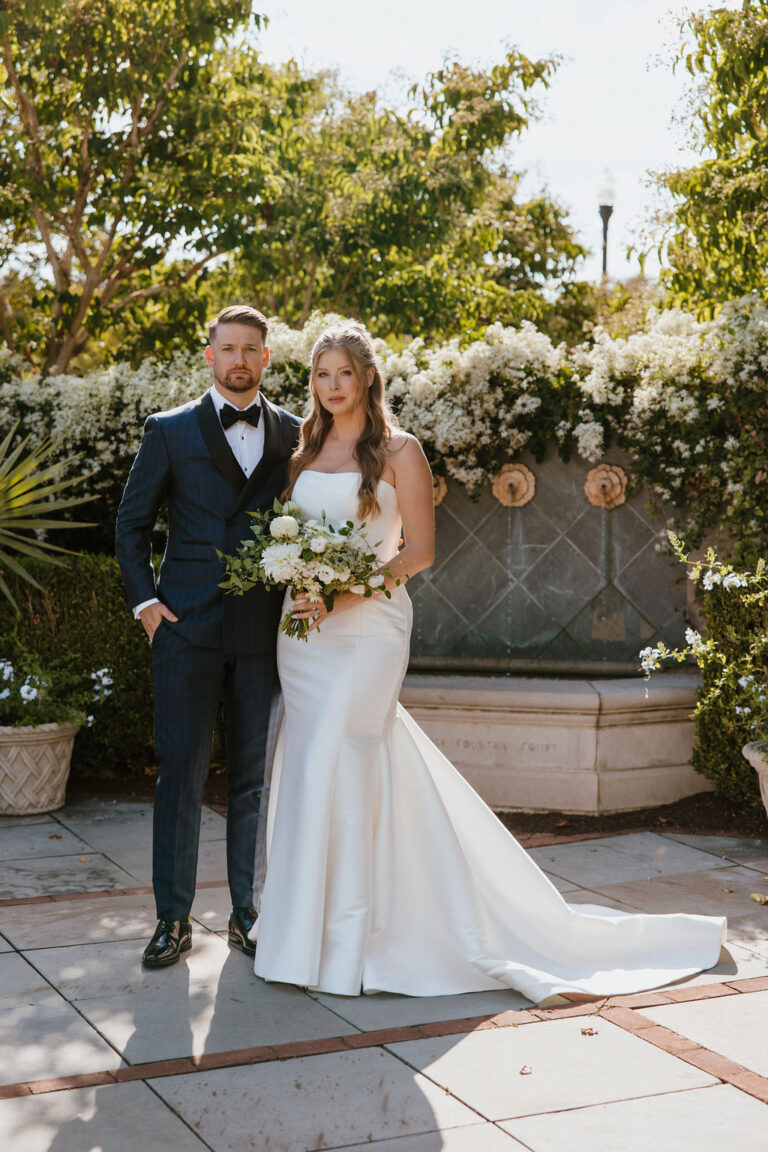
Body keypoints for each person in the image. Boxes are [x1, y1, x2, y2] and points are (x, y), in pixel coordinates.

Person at [251, 320, 726, 1002]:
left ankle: (354, 943)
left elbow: (418, 552)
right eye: (321, 375)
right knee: (305, 762)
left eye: (344, 374)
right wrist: (301, 582)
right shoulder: (303, 451)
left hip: (368, 630)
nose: (332, 387)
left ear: (367, 378)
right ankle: (301, 936)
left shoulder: (400, 450)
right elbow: (291, 536)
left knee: (347, 754)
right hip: (303, 634)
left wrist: (343, 594)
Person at [115, 305, 301, 969]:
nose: (239, 359)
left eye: (251, 349)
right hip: (185, 628)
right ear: (210, 355)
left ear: (266, 358)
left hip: (262, 631)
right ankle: (173, 919)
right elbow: (131, 524)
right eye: (228, 348)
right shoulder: (167, 430)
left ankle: (248, 915)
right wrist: (147, 605)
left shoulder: (295, 434)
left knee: (252, 781)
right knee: (180, 777)